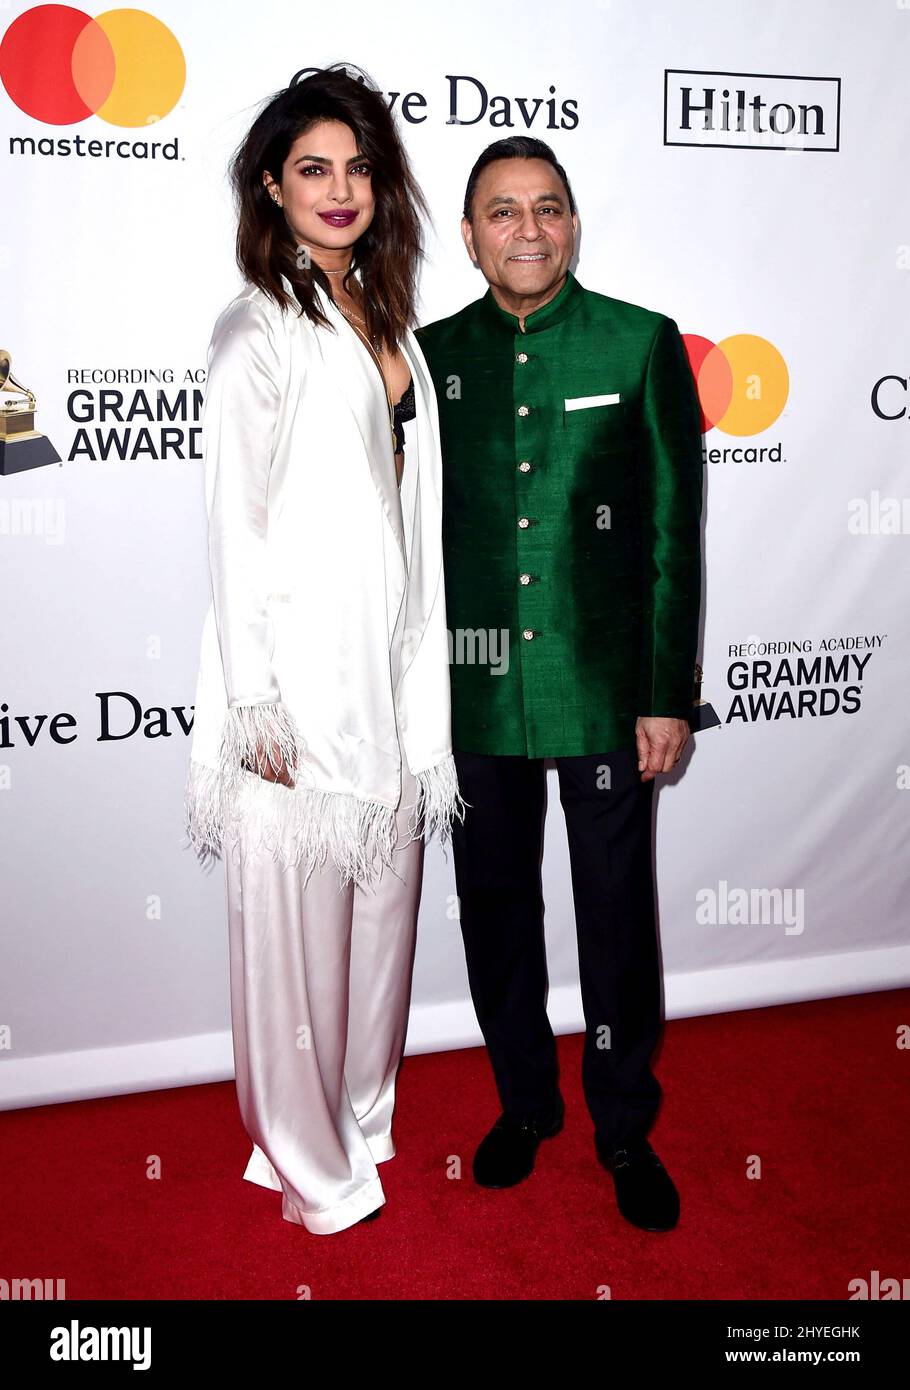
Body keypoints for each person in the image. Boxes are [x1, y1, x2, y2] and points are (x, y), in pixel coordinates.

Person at [183, 65, 463, 1234]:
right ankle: (305, 1161)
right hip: (295, 687)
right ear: (271, 186)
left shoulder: (383, 314)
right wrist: (257, 707)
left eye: (357, 168)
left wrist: (415, 693)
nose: (340, 189)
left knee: (382, 931)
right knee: (291, 953)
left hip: (390, 670)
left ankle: (359, 1114)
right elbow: (231, 532)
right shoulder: (258, 330)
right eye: (314, 169)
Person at [416, 136, 704, 1233]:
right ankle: (525, 1106)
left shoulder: (638, 344)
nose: (526, 228)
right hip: (477, 681)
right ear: (469, 232)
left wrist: (665, 690)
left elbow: (674, 533)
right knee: (496, 910)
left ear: (573, 224)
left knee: (615, 921)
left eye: (547, 208)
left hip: (603, 690)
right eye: (502, 210)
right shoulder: (431, 358)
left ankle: (623, 1123)